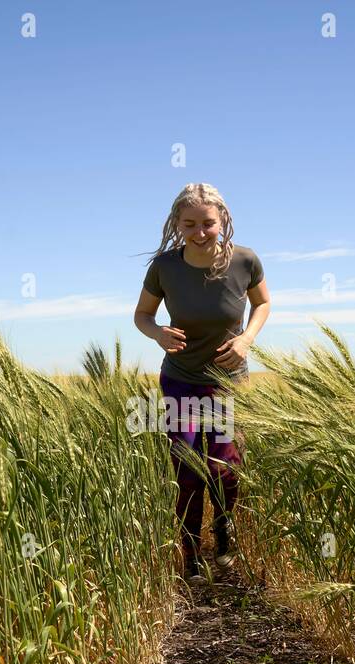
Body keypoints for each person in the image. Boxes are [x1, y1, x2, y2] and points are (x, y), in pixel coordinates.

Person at [132, 183, 271, 583]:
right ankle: (190, 551)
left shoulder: (245, 261)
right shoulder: (165, 267)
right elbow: (141, 314)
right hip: (180, 380)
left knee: (224, 467)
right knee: (187, 468)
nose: (199, 232)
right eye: (189, 223)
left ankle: (223, 532)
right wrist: (157, 333)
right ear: (176, 223)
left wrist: (245, 339)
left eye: (207, 223)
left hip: (229, 382)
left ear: (221, 220)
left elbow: (263, 303)